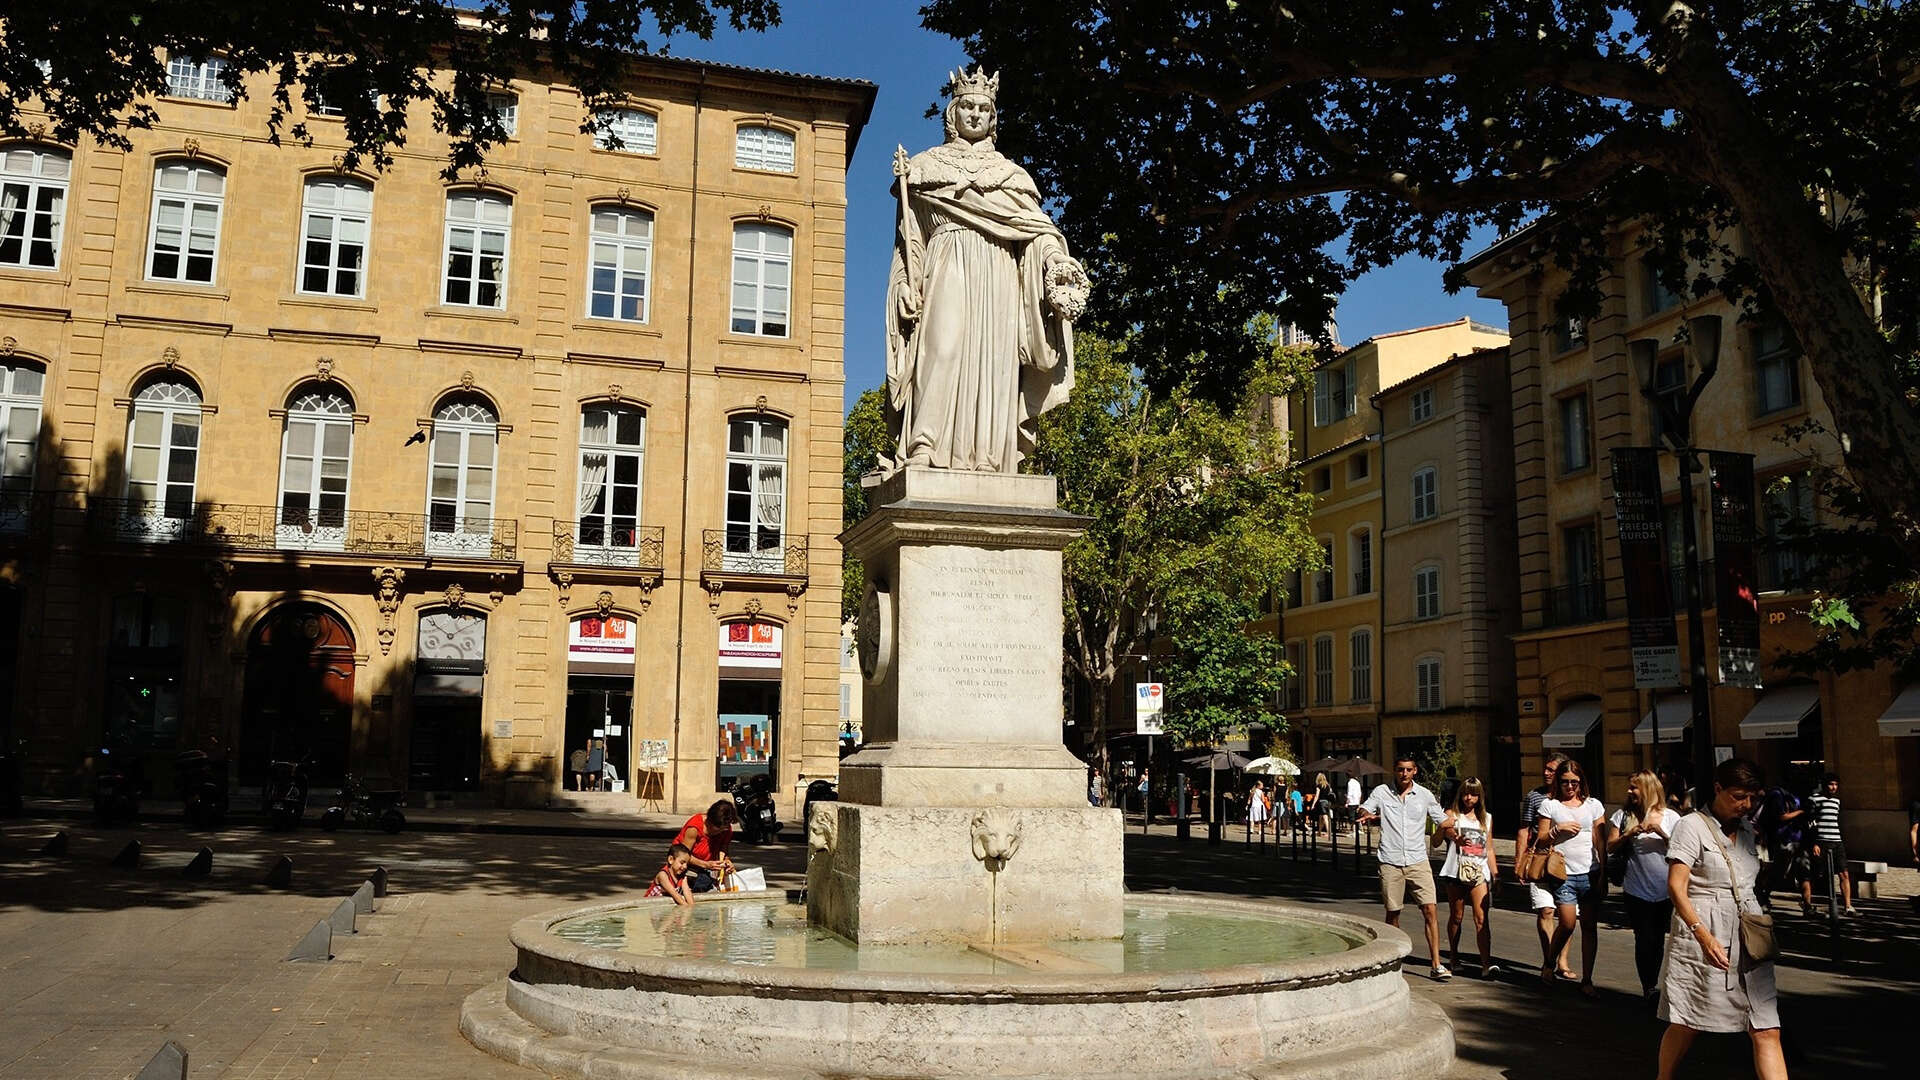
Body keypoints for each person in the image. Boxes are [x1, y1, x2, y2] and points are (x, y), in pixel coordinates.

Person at [885, 66, 1089, 472]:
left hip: (998, 273)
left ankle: (990, 456)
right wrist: (906, 284)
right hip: (944, 267)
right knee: (940, 350)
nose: (975, 114)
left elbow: (1036, 230)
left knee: (994, 361)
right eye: (967, 107)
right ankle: (925, 445)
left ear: (993, 118)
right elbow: (910, 242)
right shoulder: (922, 170)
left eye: (983, 108)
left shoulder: (1012, 177)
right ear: (953, 113)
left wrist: (1054, 263)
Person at [1657, 758, 1787, 1080]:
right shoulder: (1691, 826)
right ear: (1717, 789)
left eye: (1752, 798)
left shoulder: (1746, 829)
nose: (1746, 804)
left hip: (1748, 934)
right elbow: (1676, 887)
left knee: (1766, 1027)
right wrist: (1703, 936)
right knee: (1687, 1021)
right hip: (1705, 933)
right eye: (1738, 796)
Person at [1356, 756, 1452, 979]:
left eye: (1409, 770)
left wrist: (1462, 820)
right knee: (1393, 912)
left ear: (1415, 771)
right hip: (1390, 860)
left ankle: (1436, 964)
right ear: (1394, 771)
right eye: (1400, 770)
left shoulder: (1425, 795)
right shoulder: (1382, 791)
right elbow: (1365, 807)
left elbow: (1441, 819)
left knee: (1430, 910)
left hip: (1418, 860)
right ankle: (1393, 959)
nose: (1404, 774)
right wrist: (1365, 814)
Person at [1606, 769, 1680, 1004]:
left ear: (1647, 788)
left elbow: (1684, 851)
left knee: (1658, 939)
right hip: (1636, 889)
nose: (1629, 792)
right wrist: (1629, 834)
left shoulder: (1671, 817)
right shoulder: (1623, 815)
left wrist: (1662, 834)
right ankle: (1648, 986)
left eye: (1634, 787)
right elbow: (1610, 847)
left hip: (1666, 890)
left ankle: (1659, 982)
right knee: (1643, 938)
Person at [1534, 757, 1605, 995]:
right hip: (1563, 873)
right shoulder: (1550, 805)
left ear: (1581, 781)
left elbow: (1600, 840)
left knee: (1589, 926)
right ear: (1558, 782)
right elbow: (1541, 838)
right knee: (1567, 923)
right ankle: (1549, 962)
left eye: (1574, 782)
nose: (1570, 786)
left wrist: (1604, 871)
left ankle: (1587, 979)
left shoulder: (1593, 805)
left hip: (1590, 872)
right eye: (1565, 782)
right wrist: (1558, 829)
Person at [1519, 752, 1575, 980]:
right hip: (1540, 859)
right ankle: (1549, 959)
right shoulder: (1534, 796)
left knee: (1567, 915)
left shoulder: (1573, 798)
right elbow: (1524, 829)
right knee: (1546, 910)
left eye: (1552, 770)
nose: (1546, 773)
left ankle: (1562, 961)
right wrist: (1519, 862)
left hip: (1565, 861)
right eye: (1546, 769)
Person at [1437, 776, 1497, 978]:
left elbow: (1489, 848)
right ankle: (1453, 957)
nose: (1468, 798)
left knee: (1481, 918)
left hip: (1479, 872)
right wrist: (1452, 835)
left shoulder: (1486, 818)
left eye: (1473, 794)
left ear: (1480, 797)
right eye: (1465, 793)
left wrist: (1495, 874)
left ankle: (1486, 964)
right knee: (1457, 916)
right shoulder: (1452, 814)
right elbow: (1444, 836)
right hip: (1456, 870)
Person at [1804, 773, 1855, 915]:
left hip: (1837, 841)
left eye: (1836, 784)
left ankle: (1848, 906)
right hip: (1821, 841)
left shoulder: (1837, 801)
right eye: (1831, 784)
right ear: (1824, 785)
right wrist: (1814, 842)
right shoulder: (1814, 799)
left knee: (1844, 873)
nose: (1834, 787)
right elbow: (1810, 822)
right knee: (1817, 874)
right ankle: (1808, 905)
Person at [1756, 782, 1808, 912]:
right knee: (1779, 872)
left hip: (1797, 838)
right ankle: (1763, 896)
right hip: (1784, 839)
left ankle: (1807, 905)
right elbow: (1781, 816)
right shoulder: (1777, 794)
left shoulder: (1792, 796)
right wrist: (1801, 812)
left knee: (1804, 871)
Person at [674, 800, 737, 893]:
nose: (720, 832)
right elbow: (683, 856)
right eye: (718, 829)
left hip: (707, 869)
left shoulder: (726, 829)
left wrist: (726, 862)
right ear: (710, 821)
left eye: (724, 829)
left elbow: (723, 849)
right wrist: (705, 864)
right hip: (687, 867)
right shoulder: (694, 827)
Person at [645, 843, 696, 907]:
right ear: (671, 860)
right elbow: (675, 895)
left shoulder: (682, 877)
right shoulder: (663, 875)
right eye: (682, 863)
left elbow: (687, 892)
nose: (685, 866)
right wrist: (686, 908)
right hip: (649, 907)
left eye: (687, 864)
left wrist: (692, 908)